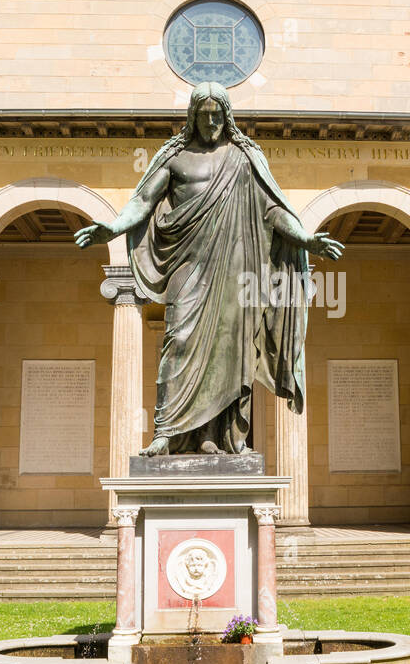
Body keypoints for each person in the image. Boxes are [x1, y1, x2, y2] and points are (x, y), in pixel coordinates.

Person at [76, 82, 343, 455]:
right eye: (205, 116)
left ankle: (216, 437)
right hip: (189, 265)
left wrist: (306, 239)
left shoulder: (245, 158)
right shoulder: (174, 157)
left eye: (219, 115)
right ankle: (166, 432)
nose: (213, 122)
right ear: (193, 116)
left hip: (235, 267)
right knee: (179, 340)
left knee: (231, 351)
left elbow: (274, 210)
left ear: (228, 115)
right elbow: (143, 201)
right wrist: (114, 227)